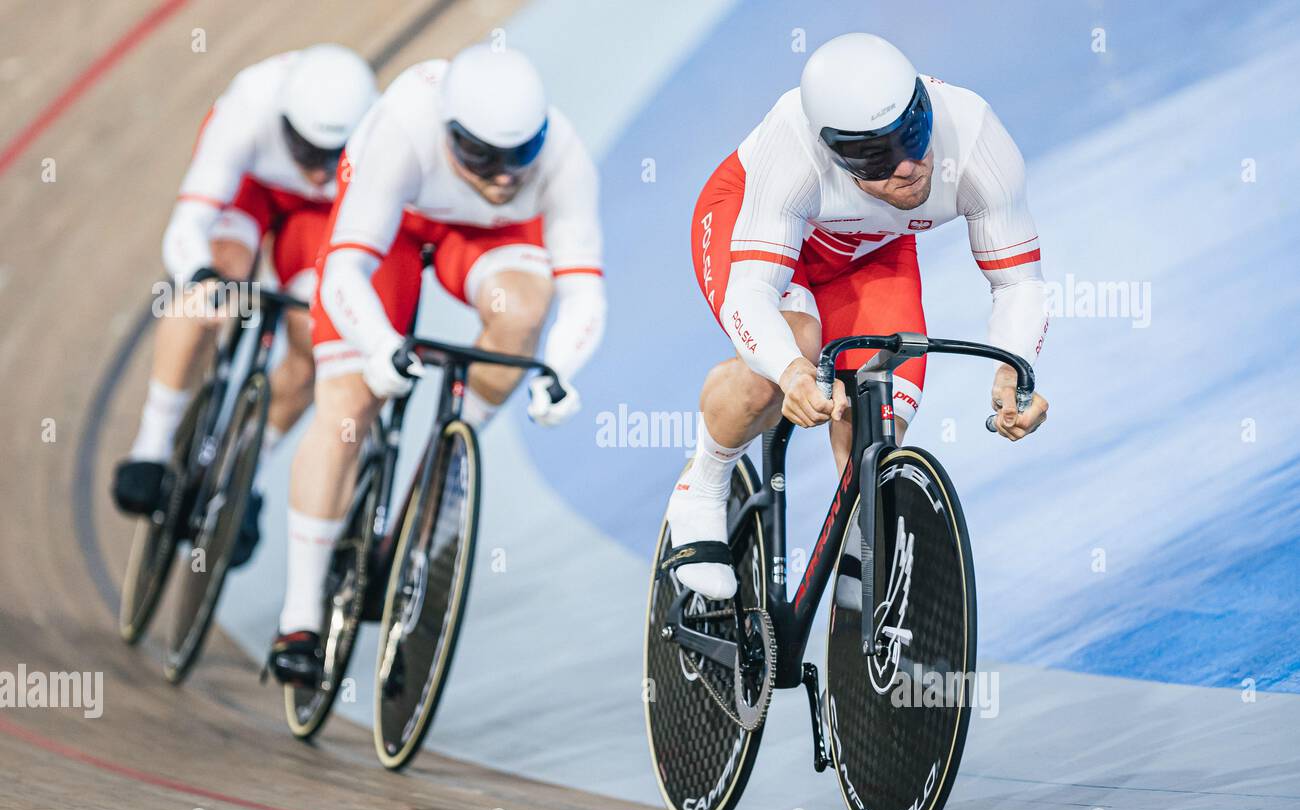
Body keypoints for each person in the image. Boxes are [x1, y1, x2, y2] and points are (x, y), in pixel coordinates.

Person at [267, 43, 606, 684]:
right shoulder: (403, 131)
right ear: (449, 132)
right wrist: (378, 346)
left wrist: (559, 371)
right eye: (481, 156)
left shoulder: (563, 155)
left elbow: (583, 288)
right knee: (349, 403)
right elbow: (345, 270)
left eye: (519, 155)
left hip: (484, 236)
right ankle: (301, 615)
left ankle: (448, 455)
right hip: (392, 225)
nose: (502, 175)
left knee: (523, 313)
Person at [669, 32, 1051, 599]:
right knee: (788, 358)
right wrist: (791, 373)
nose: (908, 167)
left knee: (877, 422)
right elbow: (750, 296)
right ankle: (704, 482)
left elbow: (1019, 282)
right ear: (833, 152)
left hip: (867, 251)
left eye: (913, 136)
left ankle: (860, 574)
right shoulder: (793, 153)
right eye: (876, 158)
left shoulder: (974, 137)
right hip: (753, 223)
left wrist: (1014, 370)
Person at [112, 44, 378, 567]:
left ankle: (246, 472)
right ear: (284, 123)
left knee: (314, 336)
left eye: (335, 155)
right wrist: (202, 277)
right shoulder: (248, 109)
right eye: (307, 152)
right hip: (250, 189)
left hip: (319, 220)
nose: (319, 170)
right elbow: (188, 224)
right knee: (215, 281)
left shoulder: (378, 137)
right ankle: (152, 445)